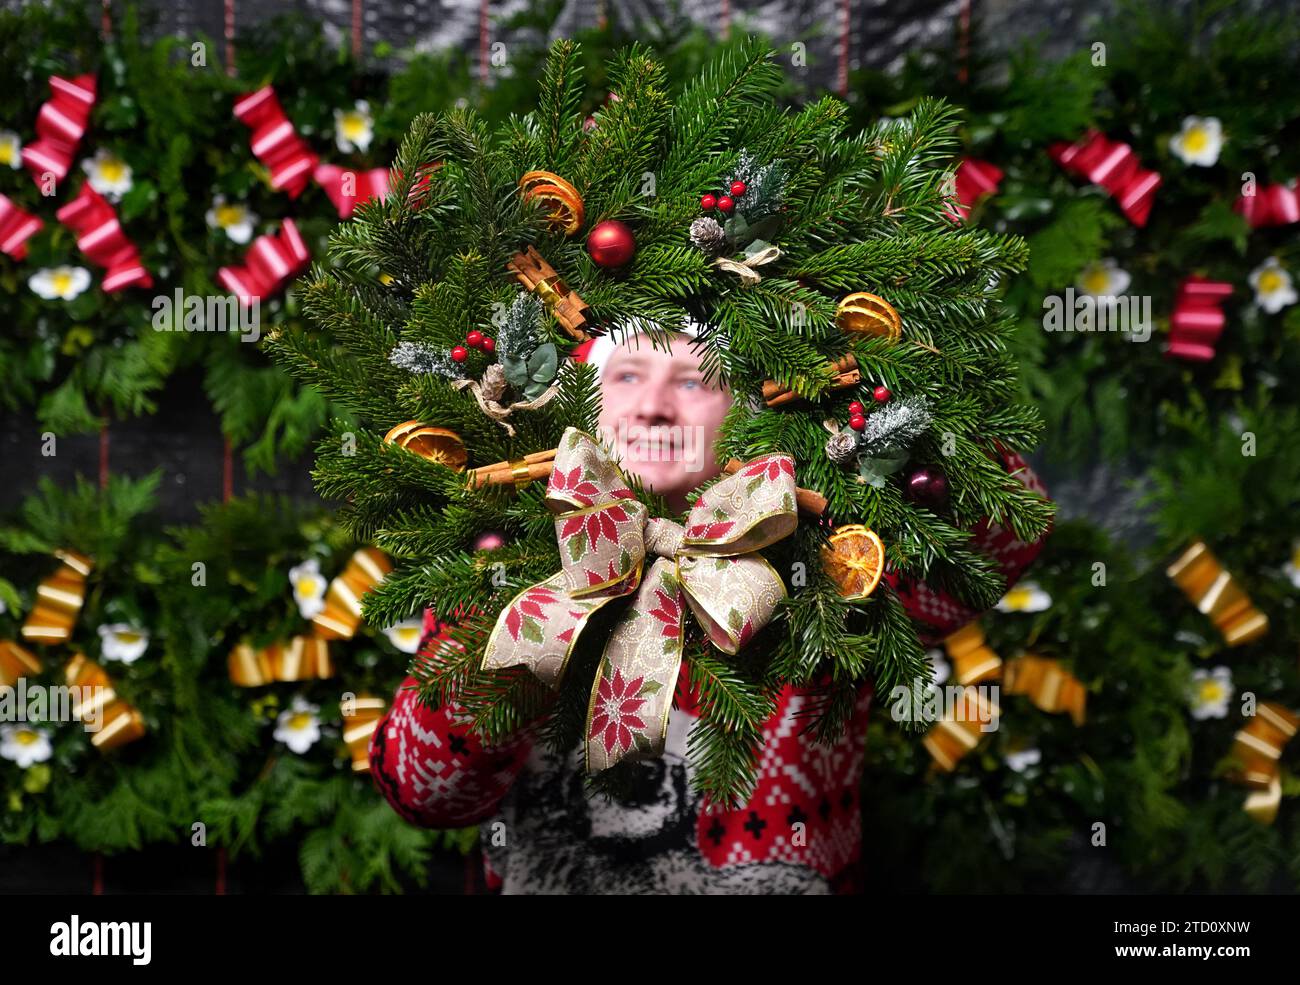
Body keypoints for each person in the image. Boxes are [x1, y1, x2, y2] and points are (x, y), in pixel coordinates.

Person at [368, 320, 875, 894]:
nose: (653, 407)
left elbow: (979, 561)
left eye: (694, 380)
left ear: (748, 415)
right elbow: (421, 793)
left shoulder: (836, 563)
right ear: (586, 400)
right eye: (628, 374)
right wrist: (539, 636)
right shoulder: (500, 571)